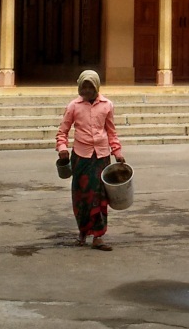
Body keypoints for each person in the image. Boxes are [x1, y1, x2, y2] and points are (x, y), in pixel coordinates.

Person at [56, 70, 125, 250]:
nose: (87, 90)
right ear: (79, 87)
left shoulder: (107, 105)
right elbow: (62, 132)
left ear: (96, 86)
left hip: (102, 157)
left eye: (90, 86)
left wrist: (117, 152)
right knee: (82, 197)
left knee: (100, 197)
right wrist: (62, 149)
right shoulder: (73, 106)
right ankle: (83, 232)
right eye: (84, 86)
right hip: (81, 157)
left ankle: (98, 237)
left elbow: (111, 131)